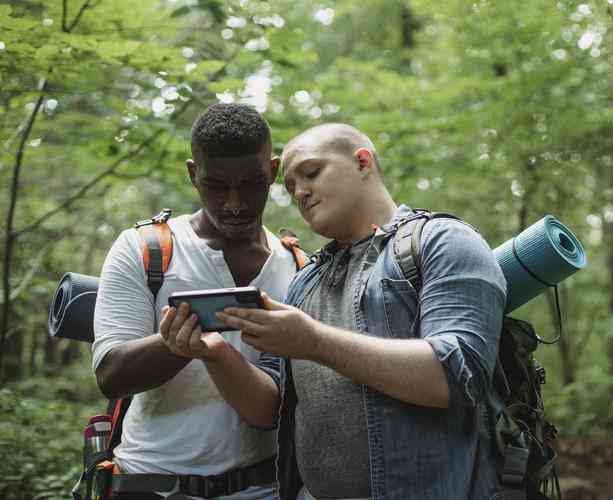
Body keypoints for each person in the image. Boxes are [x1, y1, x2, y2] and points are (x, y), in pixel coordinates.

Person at [170, 123, 508, 500]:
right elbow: (269, 410)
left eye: (312, 173)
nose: (300, 191)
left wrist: (314, 341)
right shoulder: (304, 281)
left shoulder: (441, 242)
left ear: (363, 163)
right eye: (290, 186)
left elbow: (459, 375)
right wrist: (215, 354)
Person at [92, 103, 299, 499]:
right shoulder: (145, 250)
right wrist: (178, 346)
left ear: (272, 172)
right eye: (217, 186)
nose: (234, 204)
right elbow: (111, 375)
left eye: (252, 184)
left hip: (261, 489)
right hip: (149, 484)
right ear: (193, 174)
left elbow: (285, 401)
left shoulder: (296, 265)